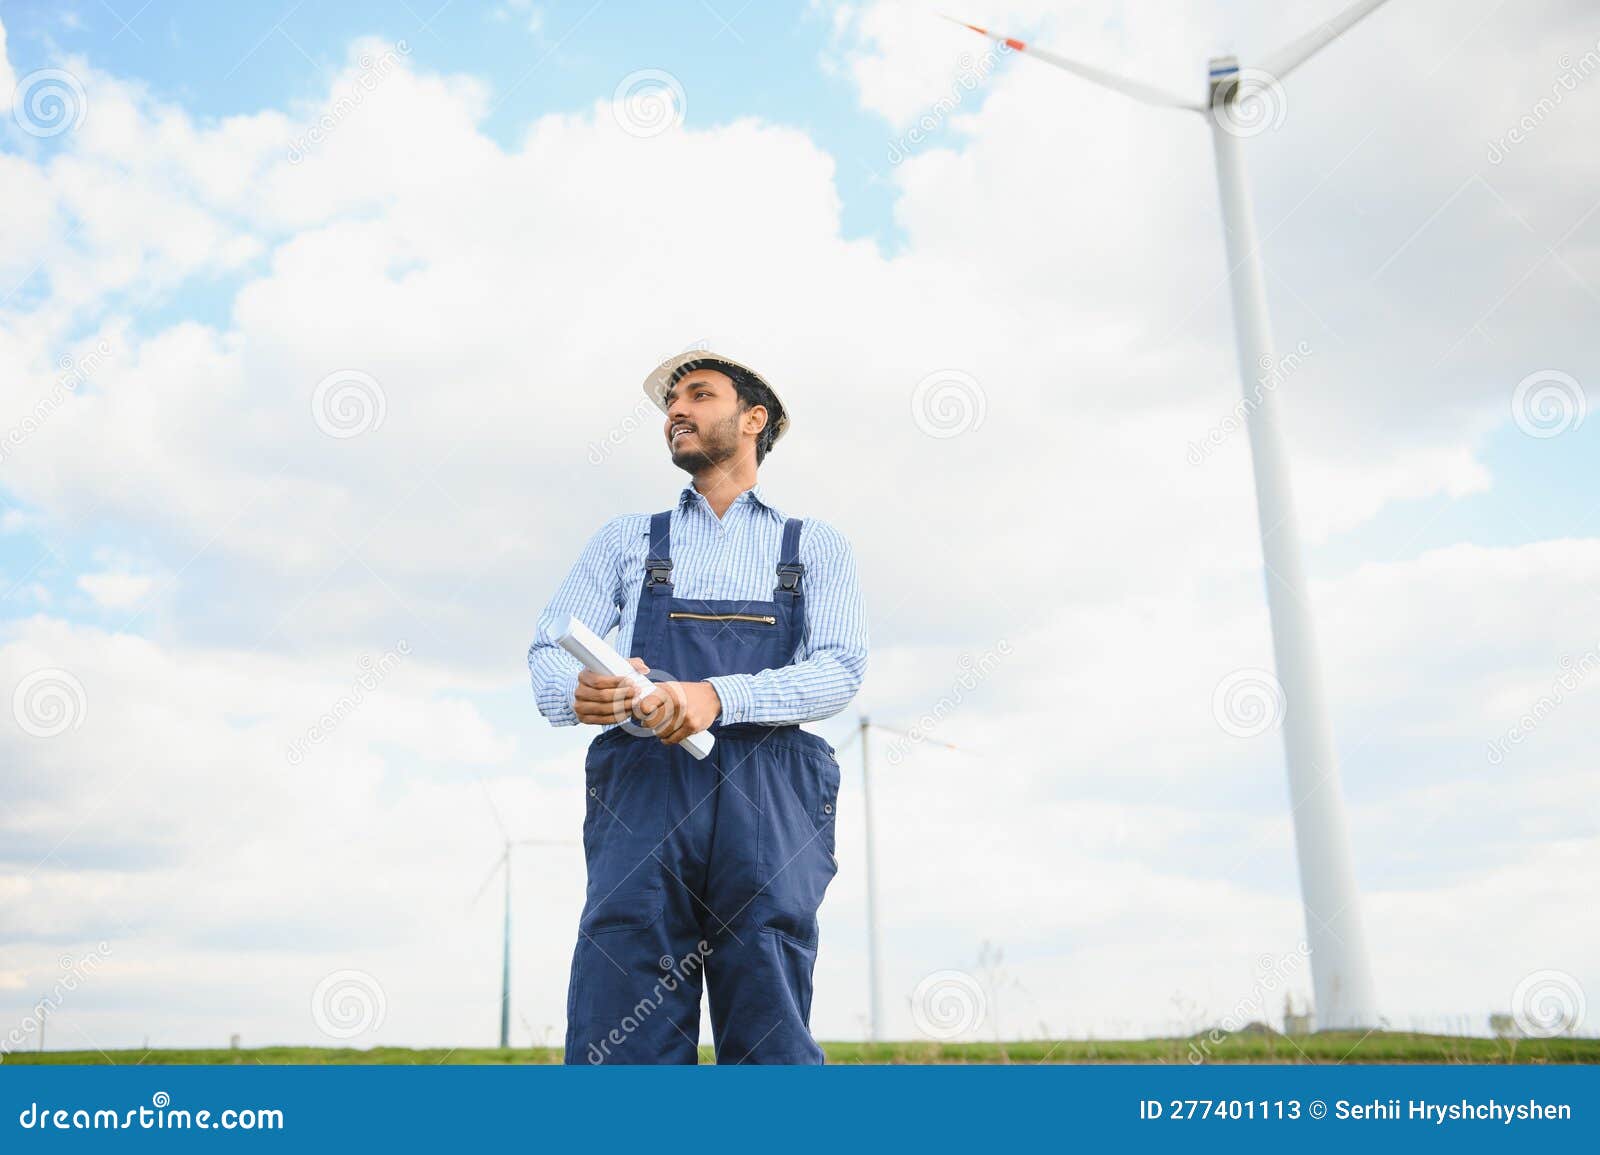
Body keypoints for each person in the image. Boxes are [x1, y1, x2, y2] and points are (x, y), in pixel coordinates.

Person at [528, 349, 868, 1064]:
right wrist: (581, 691)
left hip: (770, 797)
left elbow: (839, 671)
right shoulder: (626, 539)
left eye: (699, 395)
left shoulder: (813, 546)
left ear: (753, 419)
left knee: (769, 1020)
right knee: (624, 1011)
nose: (676, 410)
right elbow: (547, 651)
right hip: (645, 789)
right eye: (671, 403)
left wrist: (716, 695)